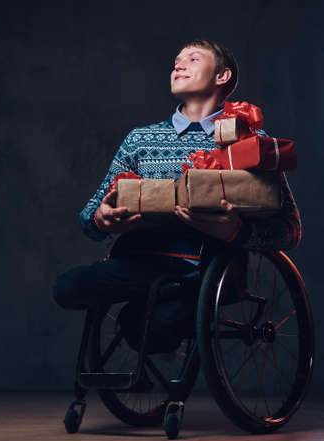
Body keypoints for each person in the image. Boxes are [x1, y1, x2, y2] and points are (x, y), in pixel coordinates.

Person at [52, 38, 301, 313]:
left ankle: (161, 310)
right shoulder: (141, 140)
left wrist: (236, 232)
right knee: (68, 287)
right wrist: (102, 219)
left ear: (222, 75)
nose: (178, 66)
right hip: (140, 264)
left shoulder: (251, 143)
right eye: (176, 63)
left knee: (148, 327)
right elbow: (88, 216)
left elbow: (290, 230)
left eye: (192, 59)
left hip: (206, 272)